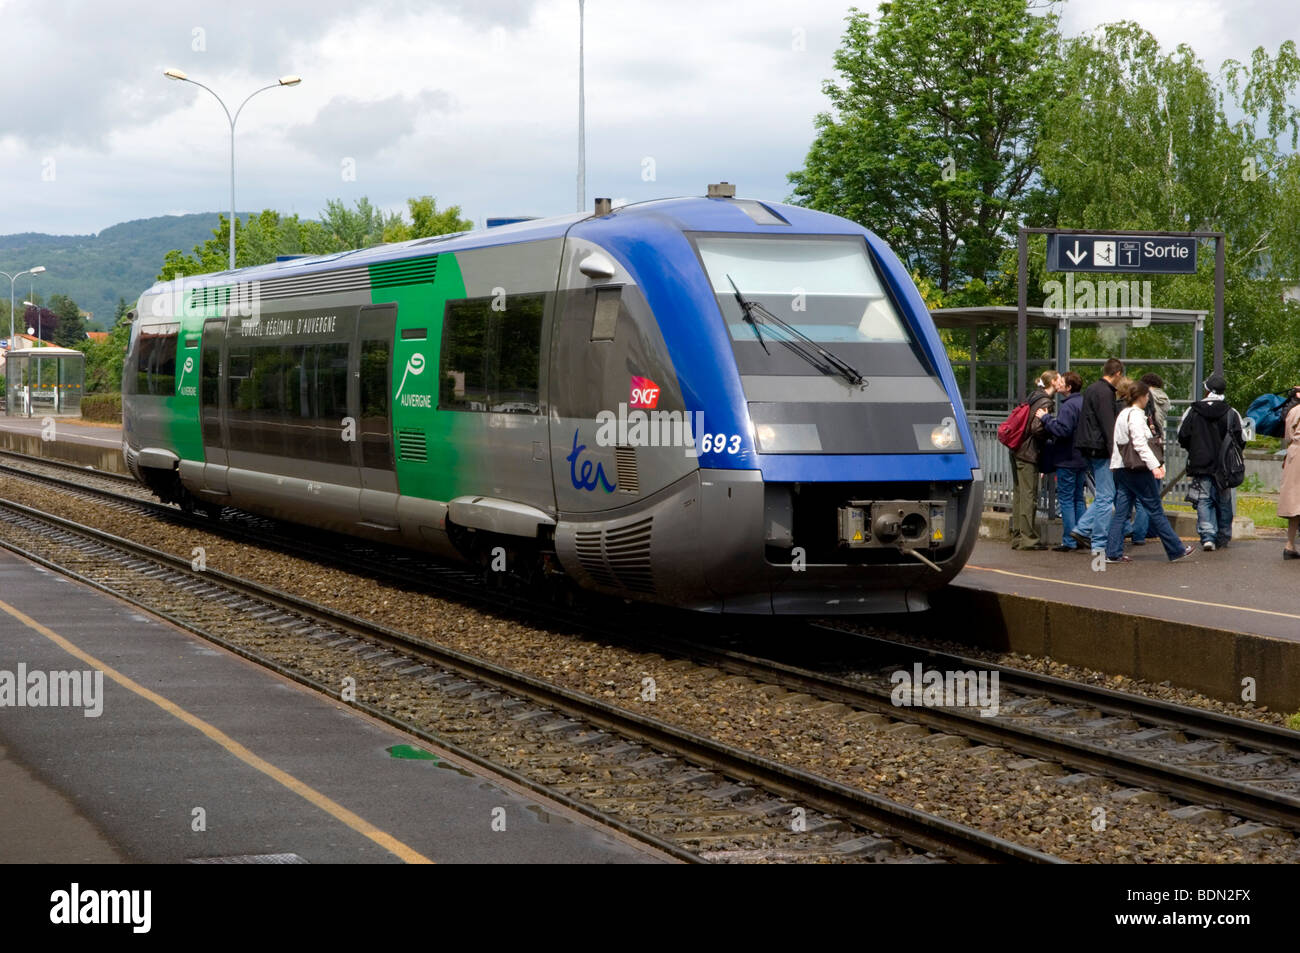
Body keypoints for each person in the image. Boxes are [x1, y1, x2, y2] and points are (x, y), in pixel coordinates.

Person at [1106, 379, 1194, 563]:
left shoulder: (1123, 414)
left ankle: (1112, 552)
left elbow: (1119, 443)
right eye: (1147, 396)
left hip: (1122, 467)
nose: (1148, 399)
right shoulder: (1137, 415)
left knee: (1121, 512)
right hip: (1138, 469)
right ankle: (1176, 549)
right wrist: (1154, 465)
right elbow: (1139, 443)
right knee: (1155, 508)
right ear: (1141, 397)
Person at [1176, 372, 1245, 551]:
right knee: (1224, 499)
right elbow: (1241, 438)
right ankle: (1223, 535)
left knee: (1204, 499)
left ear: (1207, 390)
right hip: (1224, 465)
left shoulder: (1193, 410)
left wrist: (1194, 448)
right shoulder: (1231, 412)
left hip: (1200, 462)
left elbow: (1182, 435)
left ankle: (1208, 536)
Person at [1071, 358, 1125, 552]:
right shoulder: (1105, 393)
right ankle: (1097, 541)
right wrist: (1115, 454)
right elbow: (1108, 425)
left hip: (1088, 447)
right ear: (1117, 373)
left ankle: (1084, 529)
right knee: (1106, 496)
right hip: (1101, 449)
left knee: (1104, 495)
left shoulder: (1093, 388)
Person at [1010, 371, 1061, 551]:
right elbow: (1036, 429)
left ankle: (1018, 536)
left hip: (1017, 448)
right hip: (1028, 452)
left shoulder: (1033, 396)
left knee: (1019, 494)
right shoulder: (1045, 401)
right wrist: (1051, 427)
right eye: (1059, 378)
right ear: (1053, 382)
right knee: (1029, 495)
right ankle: (1028, 539)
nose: (1061, 381)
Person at [1037, 371, 1086, 551]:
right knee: (1078, 499)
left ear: (1068, 387)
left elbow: (1062, 430)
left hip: (1067, 457)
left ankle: (1069, 540)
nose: (1059, 384)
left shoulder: (1068, 406)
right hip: (1082, 457)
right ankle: (1082, 535)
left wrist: (1046, 418)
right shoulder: (1083, 403)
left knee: (1066, 499)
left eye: (1062, 382)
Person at [1129, 373, 1170, 546]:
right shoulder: (1164, 399)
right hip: (1158, 446)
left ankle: (1138, 533)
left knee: (1140, 497)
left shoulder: (1146, 399)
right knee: (1153, 494)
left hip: (1145, 448)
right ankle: (1150, 530)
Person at [1278, 389, 1300, 560]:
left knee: (1294, 501)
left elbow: (1287, 436)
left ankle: (1290, 544)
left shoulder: (1294, 411)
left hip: (1295, 454)